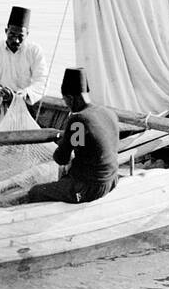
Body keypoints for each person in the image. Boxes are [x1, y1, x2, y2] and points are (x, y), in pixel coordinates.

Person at [21, 67, 119, 205]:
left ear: (71, 98)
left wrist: (63, 142)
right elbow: (87, 145)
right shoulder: (108, 113)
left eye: (65, 100)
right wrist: (69, 138)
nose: (66, 105)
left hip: (90, 188)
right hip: (112, 180)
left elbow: (61, 159)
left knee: (36, 192)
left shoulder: (78, 121)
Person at [0, 6, 49, 129]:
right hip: (1, 110)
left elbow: (43, 81)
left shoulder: (34, 51)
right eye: (12, 34)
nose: (16, 40)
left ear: (27, 34)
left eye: (20, 36)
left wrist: (25, 94)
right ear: (6, 31)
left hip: (27, 108)